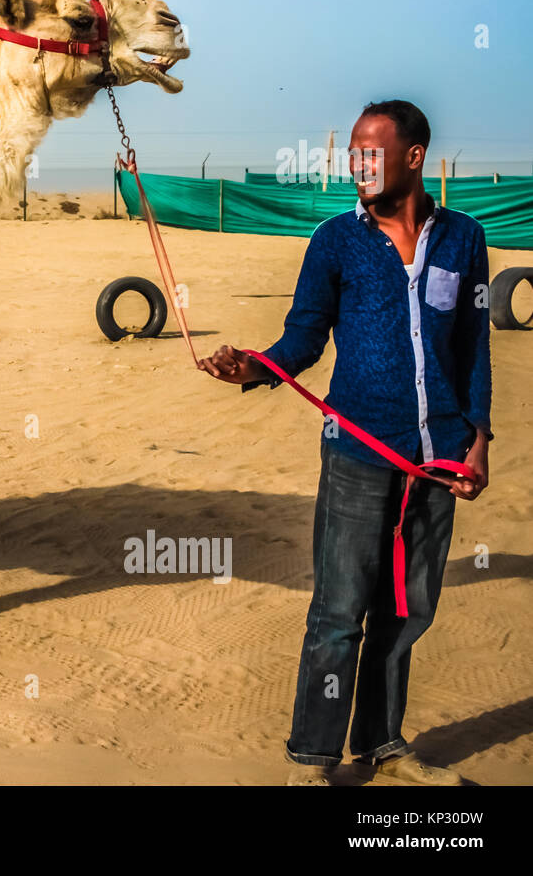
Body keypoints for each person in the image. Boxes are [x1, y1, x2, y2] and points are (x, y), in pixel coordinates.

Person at [199, 100, 492, 786]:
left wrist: (478, 440)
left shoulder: (464, 238)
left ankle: (384, 744)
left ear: (413, 157)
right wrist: (253, 367)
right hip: (358, 452)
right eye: (351, 152)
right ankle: (313, 758)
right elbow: (303, 336)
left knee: (408, 609)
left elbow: (475, 345)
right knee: (337, 613)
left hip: (439, 456)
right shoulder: (335, 241)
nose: (355, 164)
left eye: (371, 151)